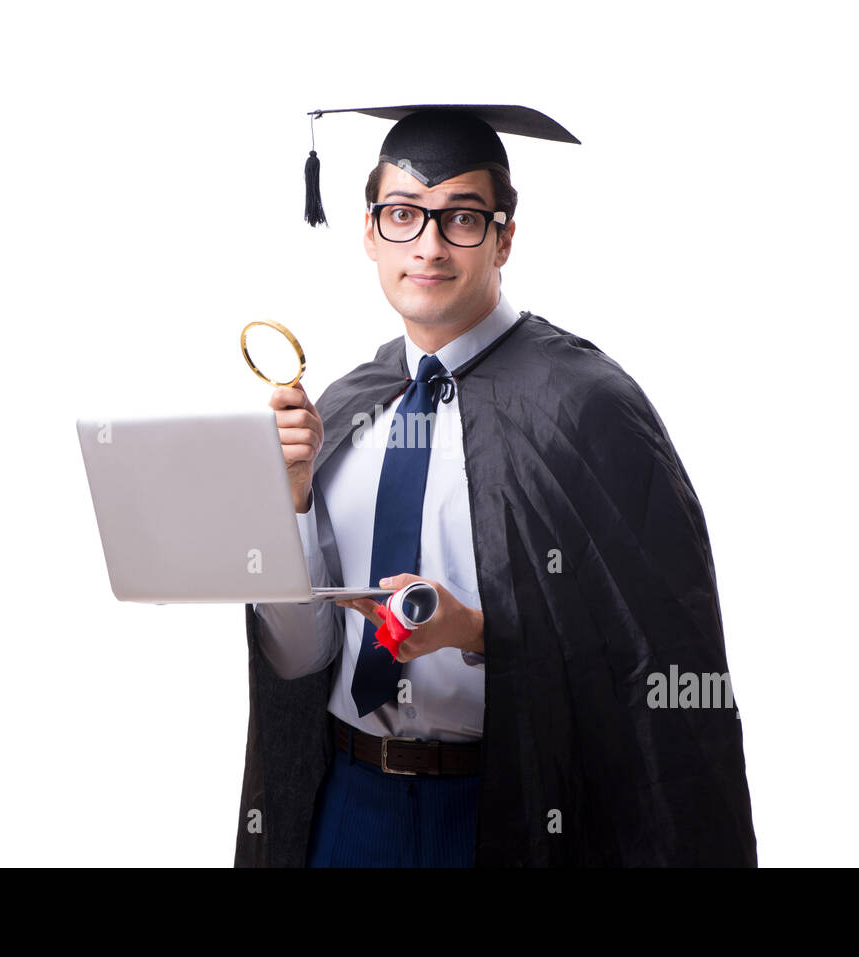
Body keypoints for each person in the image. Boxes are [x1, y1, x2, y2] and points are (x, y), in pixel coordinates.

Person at [236, 105, 756, 867]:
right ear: (371, 232)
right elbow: (299, 658)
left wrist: (478, 634)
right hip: (346, 807)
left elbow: (647, 650)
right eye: (404, 216)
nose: (431, 246)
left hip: (502, 812)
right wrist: (287, 505)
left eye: (463, 219)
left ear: (506, 235)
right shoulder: (343, 410)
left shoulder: (585, 406)